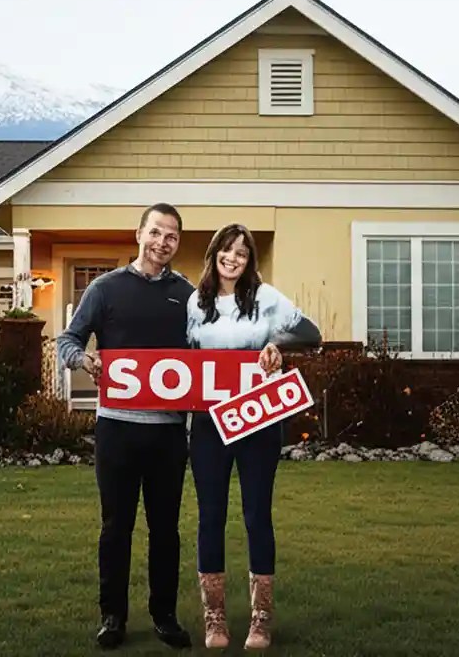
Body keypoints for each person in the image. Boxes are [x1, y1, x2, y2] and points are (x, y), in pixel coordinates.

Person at [56, 203, 196, 650]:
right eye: (155, 232)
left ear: (177, 243)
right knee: (116, 526)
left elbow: (210, 345)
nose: (162, 242)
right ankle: (112, 616)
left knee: (165, 528)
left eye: (171, 236)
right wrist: (84, 360)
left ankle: (165, 615)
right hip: (117, 428)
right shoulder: (105, 288)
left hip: (169, 432)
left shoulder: (188, 294)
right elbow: (68, 339)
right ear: (139, 234)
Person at [185, 223, 322, 650]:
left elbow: (311, 336)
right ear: (214, 253)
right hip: (208, 422)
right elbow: (184, 356)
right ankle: (215, 618)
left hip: (256, 418)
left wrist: (278, 346)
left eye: (242, 253)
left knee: (256, 514)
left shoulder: (266, 298)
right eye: (226, 250)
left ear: (249, 261)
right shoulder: (195, 302)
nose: (233, 258)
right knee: (211, 514)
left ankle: (261, 619)